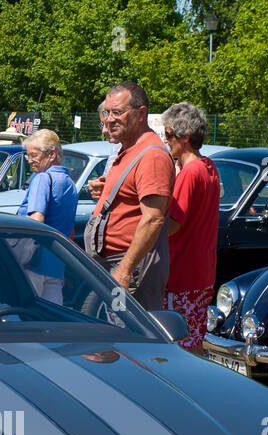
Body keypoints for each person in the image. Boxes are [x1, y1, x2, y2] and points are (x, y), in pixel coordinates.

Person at [83, 82, 174, 310]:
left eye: (118, 112)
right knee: (104, 335)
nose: (109, 119)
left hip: (128, 269)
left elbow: (153, 219)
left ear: (141, 113)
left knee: (125, 341)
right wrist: (104, 192)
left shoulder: (152, 155)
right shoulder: (128, 148)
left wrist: (124, 269)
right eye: (107, 112)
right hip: (113, 266)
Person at [160, 101, 220, 354]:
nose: (166, 140)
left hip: (181, 275)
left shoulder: (190, 173)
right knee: (194, 342)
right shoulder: (209, 167)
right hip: (202, 272)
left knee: (177, 346)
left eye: (169, 135)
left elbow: (173, 224)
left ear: (184, 137)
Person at [16, 129, 78, 304]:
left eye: (34, 155)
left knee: (26, 316)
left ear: (51, 154)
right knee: (51, 319)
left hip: (33, 262)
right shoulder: (70, 184)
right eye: (28, 155)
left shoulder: (43, 178)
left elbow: (37, 221)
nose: (30, 161)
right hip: (56, 265)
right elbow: (70, 231)